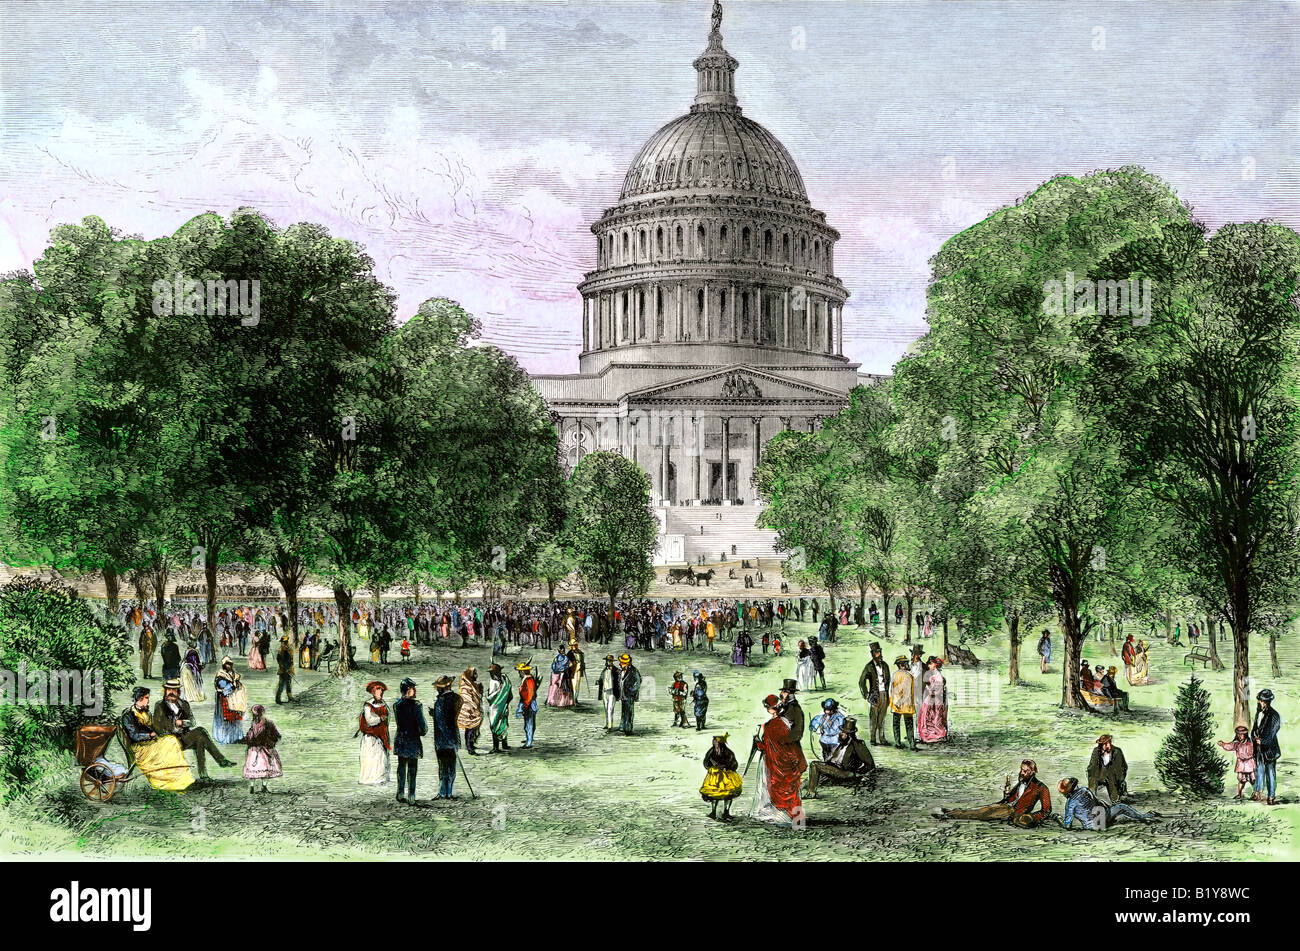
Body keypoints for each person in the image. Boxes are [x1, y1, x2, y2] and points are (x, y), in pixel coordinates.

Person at [119, 686, 195, 792]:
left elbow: (154, 728)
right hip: (140, 748)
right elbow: (134, 736)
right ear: (140, 699)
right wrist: (150, 735)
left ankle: (179, 778)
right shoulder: (128, 715)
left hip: (149, 743)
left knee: (171, 741)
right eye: (147, 698)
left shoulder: (146, 713)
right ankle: (169, 780)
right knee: (170, 743)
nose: (148, 701)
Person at [153, 678, 233, 779]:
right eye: (169, 690)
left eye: (174, 690)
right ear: (165, 691)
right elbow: (157, 727)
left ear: (178, 692)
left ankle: (204, 775)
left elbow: (192, 721)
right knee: (200, 733)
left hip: (184, 738)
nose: (171, 693)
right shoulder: (160, 706)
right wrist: (173, 725)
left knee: (200, 738)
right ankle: (218, 762)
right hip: (169, 740)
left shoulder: (184, 704)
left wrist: (182, 723)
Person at [939, 759, 1051, 827]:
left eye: (1025, 771)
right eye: (1021, 770)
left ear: (1032, 772)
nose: (1021, 773)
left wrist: (1031, 817)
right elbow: (1012, 798)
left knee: (982, 814)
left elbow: (1047, 810)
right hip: (1006, 806)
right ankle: (952, 813)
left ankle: (951, 815)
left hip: (1014, 812)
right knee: (982, 810)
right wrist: (1007, 794)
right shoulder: (1021, 781)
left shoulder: (1041, 788)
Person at [753, 693, 808, 826]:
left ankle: (783, 817)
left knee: (778, 789)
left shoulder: (770, 726)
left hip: (777, 764)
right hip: (790, 762)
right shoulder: (786, 722)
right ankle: (797, 819)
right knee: (792, 791)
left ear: (770, 709)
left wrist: (757, 743)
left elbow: (769, 747)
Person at [805, 717, 876, 798]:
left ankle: (811, 793)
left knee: (814, 765)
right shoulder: (842, 743)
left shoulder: (858, 745)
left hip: (845, 772)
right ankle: (809, 789)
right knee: (815, 768)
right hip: (835, 768)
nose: (841, 733)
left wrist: (857, 773)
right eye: (842, 731)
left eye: (844, 732)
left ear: (850, 734)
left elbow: (870, 764)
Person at [1057, 777, 1157, 829]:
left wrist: (1058, 820)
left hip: (1092, 826)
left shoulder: (1070, 804)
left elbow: (1067, 825)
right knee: (1122, 807)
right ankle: (1144, 816)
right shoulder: (1085, 790)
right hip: (1103, 817)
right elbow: (1097, 803)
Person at [393, 677, 426, 803]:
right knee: (412, 769)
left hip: (401, 739)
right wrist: (422, 731)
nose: (415, 690)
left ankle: (400, 793)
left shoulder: (397, 705)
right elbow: (422, 728)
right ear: (408, 690)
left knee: (401, 767)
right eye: (413, 689)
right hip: (412, 741)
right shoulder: (417, 706)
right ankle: (411, 795)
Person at [238, 704, 281, 795]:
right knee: (263, 768)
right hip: (262, 749)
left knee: (256, 768)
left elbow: (250, 737)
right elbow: (276, 735)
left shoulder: (258, 724)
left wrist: (246, 740)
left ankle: (254, 787)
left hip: (257, 750)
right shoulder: (266, 723)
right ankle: (261, 787)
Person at [700, 733, 742, 820]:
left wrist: (726, 767)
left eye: (715, 741)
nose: (714, 742)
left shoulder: (728, 752)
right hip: (715, 777)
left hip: (727, 777)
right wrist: (711, 767)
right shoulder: (711, 752)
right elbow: (706, 762)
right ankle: (713, 812)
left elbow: (734, 764)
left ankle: (726, 812)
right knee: (714, 794)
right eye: (714, 741)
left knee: (729, 794)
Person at [431, 675, 461, 798]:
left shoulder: (440, 702)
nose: (437, 689)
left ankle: (443, 792)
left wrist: (435, 715)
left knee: (443, 766)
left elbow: (442, 723)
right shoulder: (456, 699)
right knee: (451, 766)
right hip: (453, 738)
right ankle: (449, 792)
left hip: (443, 740)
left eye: (439, 687)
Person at [1251, 689, 1281, 805]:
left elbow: (1272, 733)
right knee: (1259, 769)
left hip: (1269, 749)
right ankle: (1258, 793)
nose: (1259, 702)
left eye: (1262, 700)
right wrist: (1254, 736)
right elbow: (1255, 727)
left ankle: (1271, 796)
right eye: (1259, 700)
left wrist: (1262, 741)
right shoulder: (1259, 712)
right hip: (1259, 749)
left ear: (1267, 701)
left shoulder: (1274, 715)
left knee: (1270, 773)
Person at [858, 642, 891, 746]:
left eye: (880, 652)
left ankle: (882, 738)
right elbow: (861, 681)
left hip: (884, 694)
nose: (879, 654)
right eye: (877, 653)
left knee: (882, 718)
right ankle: (873, 738)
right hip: (874, 696)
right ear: (872, 654)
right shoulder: (869, 666)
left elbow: (888, 680)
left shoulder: (885, 665)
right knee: (873, 718)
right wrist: (866, 695)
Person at [359, 681, 390, 785]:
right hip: (371, 736)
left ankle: (381, 778)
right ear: (373, 692)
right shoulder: (368, 705)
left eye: (382, 691)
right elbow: (369, 720)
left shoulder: (383, 703)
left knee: (381, 758)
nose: (380, 693)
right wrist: (380, 719)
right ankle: (370, 779)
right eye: (378, 690)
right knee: (372, 757)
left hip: (382, 735)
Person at [212, 658, 245, 744]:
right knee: (226, 719)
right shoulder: (221, 676)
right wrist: (233, 684)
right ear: (224, 665)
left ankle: (236, 737)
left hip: (234, 700)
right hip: (224, 700)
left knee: (235, 717)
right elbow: (224, 689)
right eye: (227, 664)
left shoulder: (232, 673)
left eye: (230, 664)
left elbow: (237, 686)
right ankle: (226, 738)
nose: (229, 666)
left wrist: (236, 682)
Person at [1218, 725, 1256, 799]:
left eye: (1242, 734)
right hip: (1241, 764)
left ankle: (1256, 793)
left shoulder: (1250, 742)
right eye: (1238, 734)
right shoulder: (1236, 743)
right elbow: (1229, 746)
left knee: (1253, 780)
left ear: (1245, 734)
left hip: (1249, 764)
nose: (1240, 736)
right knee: (1241, 780)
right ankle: (1240, 794)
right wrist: (1223, 744)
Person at [1087, 734, 1128, 802]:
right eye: (1105, 744)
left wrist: (1120, 779)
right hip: (1100, 774)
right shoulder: (1096, 751)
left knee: (1112, 779)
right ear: (1101, 745)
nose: (1108, 746)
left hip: (1113, 775)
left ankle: (1115, 800)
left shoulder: (1117, 751)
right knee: (1093, 777)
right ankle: (1091, 799)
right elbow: (1092, 766)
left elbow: (1123, 767)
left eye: (1109, 743)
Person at [917, 656, 948, 743]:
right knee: (926, 715)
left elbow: (938, 688)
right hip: (930, 697)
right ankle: (926, 734)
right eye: (930, 664)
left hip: (936, 698)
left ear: (935, 664)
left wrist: (932, 691)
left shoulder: (938, 675)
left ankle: (937, 734)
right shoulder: (930, 673)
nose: (930, 666)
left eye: (932, 664)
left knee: (936, 716)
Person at [889, 656, 917, 751]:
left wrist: (895, 701)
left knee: (896, 723)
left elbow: (892, 689)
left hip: (897, 704)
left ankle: (898, 742)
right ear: (903, 665)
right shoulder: (909, 675)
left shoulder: (895, 675)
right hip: (907, 704)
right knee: (909, 724)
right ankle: (912, 744)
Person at [485, 663, 513, 753]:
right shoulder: (504, 681)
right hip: (498, 707)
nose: (491, 674)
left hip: (496, 707)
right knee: (499, 724)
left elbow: (491, 696)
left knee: (498, 725)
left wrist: (488, 696)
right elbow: (509, 695)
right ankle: (501, 745)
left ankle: (498, 746)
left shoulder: (498, 682)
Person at [457, 667, 483, 755]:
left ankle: (471, 744)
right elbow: (467, 700)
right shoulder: (465, 687)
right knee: (469, 729)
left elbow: (477, 697)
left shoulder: (473, 684)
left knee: (473, 729)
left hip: (474, 711)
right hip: (468, 712)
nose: (476, 676)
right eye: (474, 674)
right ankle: (469, 747)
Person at [617, 654, 642, 735]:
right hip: (623, 694)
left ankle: (628, 728)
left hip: (629, 695)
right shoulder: (621, 670)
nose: (620, 664)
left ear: (627, 663)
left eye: (622, 663)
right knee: (624, 711)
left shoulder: (633, 671)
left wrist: (632, 690)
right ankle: (623, 726)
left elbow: (638, 681)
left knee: (629, 712)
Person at [515, 662, 539, 748]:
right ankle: (529, 738)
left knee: (529, 723)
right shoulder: (527, 679)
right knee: (529, 723)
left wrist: (526, 704)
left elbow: (530, 693)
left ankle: (529, 742)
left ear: (522, 672)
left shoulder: (528, 680)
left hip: (529, 703)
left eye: (519, 672)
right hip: (527, 702)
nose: (519, 674)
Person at [597, 654, 620, 731]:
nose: (608, 662)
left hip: (612, 692)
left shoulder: (616, 671)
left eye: (609, 661)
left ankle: (610, 726)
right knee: (606, 708)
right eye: (607, 661)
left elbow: (619, 681)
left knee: (610, 709)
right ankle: (607, 724)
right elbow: (601, 678)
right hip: (604, 691)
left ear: (612, 662)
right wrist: (599, 681)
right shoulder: (604, 670)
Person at [275, 636, 294, 704]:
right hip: (283, 670)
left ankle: (290, 697)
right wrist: (283, 667)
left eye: (284, 642)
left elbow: (291, 660)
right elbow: (279, 660)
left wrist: (289, 668)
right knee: (281, 685)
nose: (283, 644)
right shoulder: (281, 650)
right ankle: (278, 698)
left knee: (288, 684)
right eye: (283, 642)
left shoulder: (288, 649)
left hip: (288, 669)